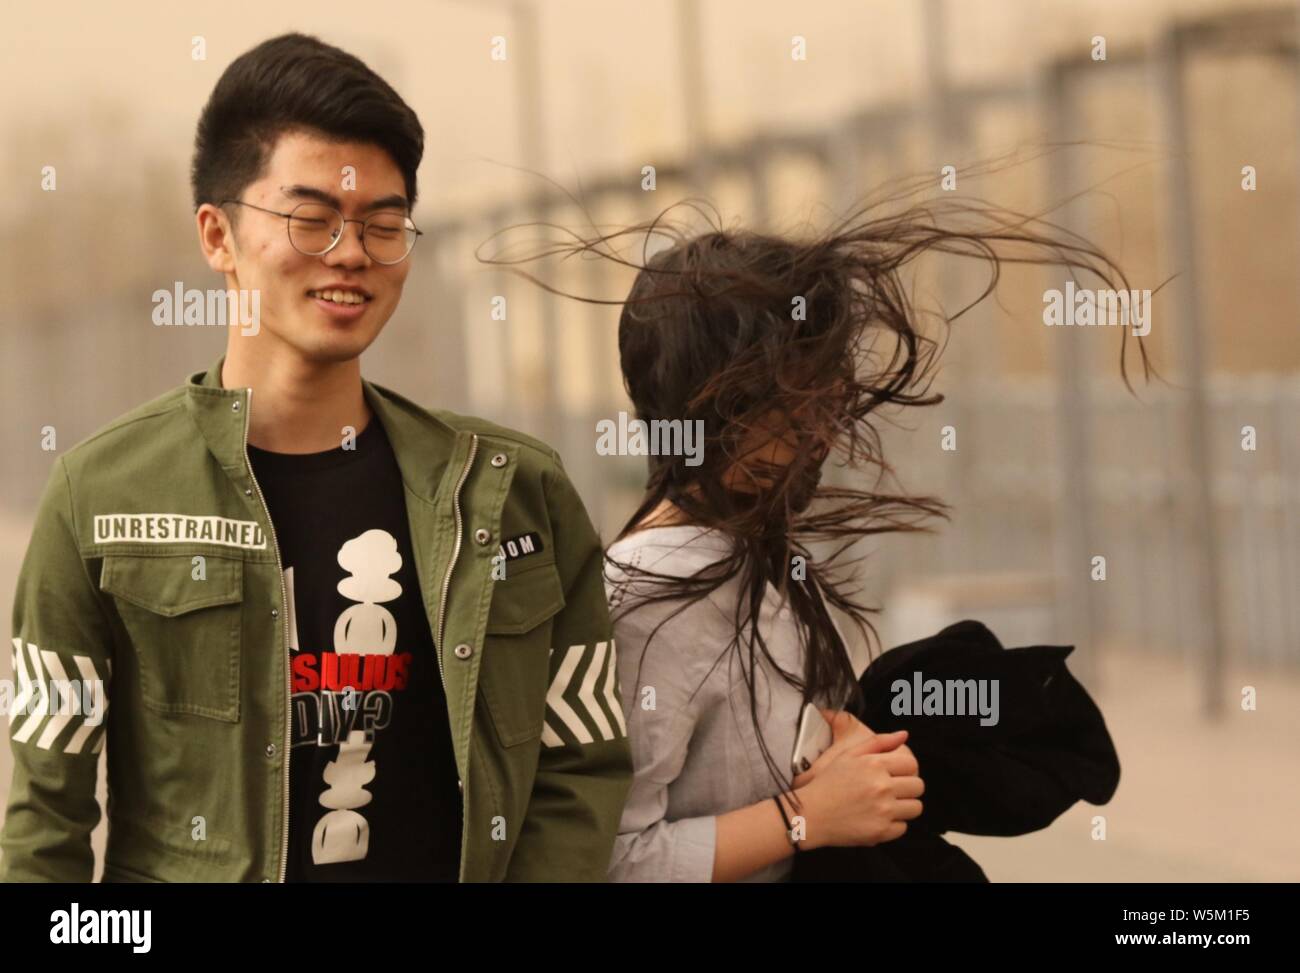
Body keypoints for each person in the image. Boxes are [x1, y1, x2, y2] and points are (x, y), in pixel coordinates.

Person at [0, 32, 631, 883]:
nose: (351, 254)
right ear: (218, 237)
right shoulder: (99, 497)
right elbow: (44, 828)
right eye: (312, 219)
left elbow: (578, 764)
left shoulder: (514, 492)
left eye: (383, 222)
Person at [487, 186, 1152, 882]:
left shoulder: (742, 556)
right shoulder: (649, 602)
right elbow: (613, 860)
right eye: (798, 409)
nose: (825, 433)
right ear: (726, 411)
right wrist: (804, 817)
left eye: (829, 401)